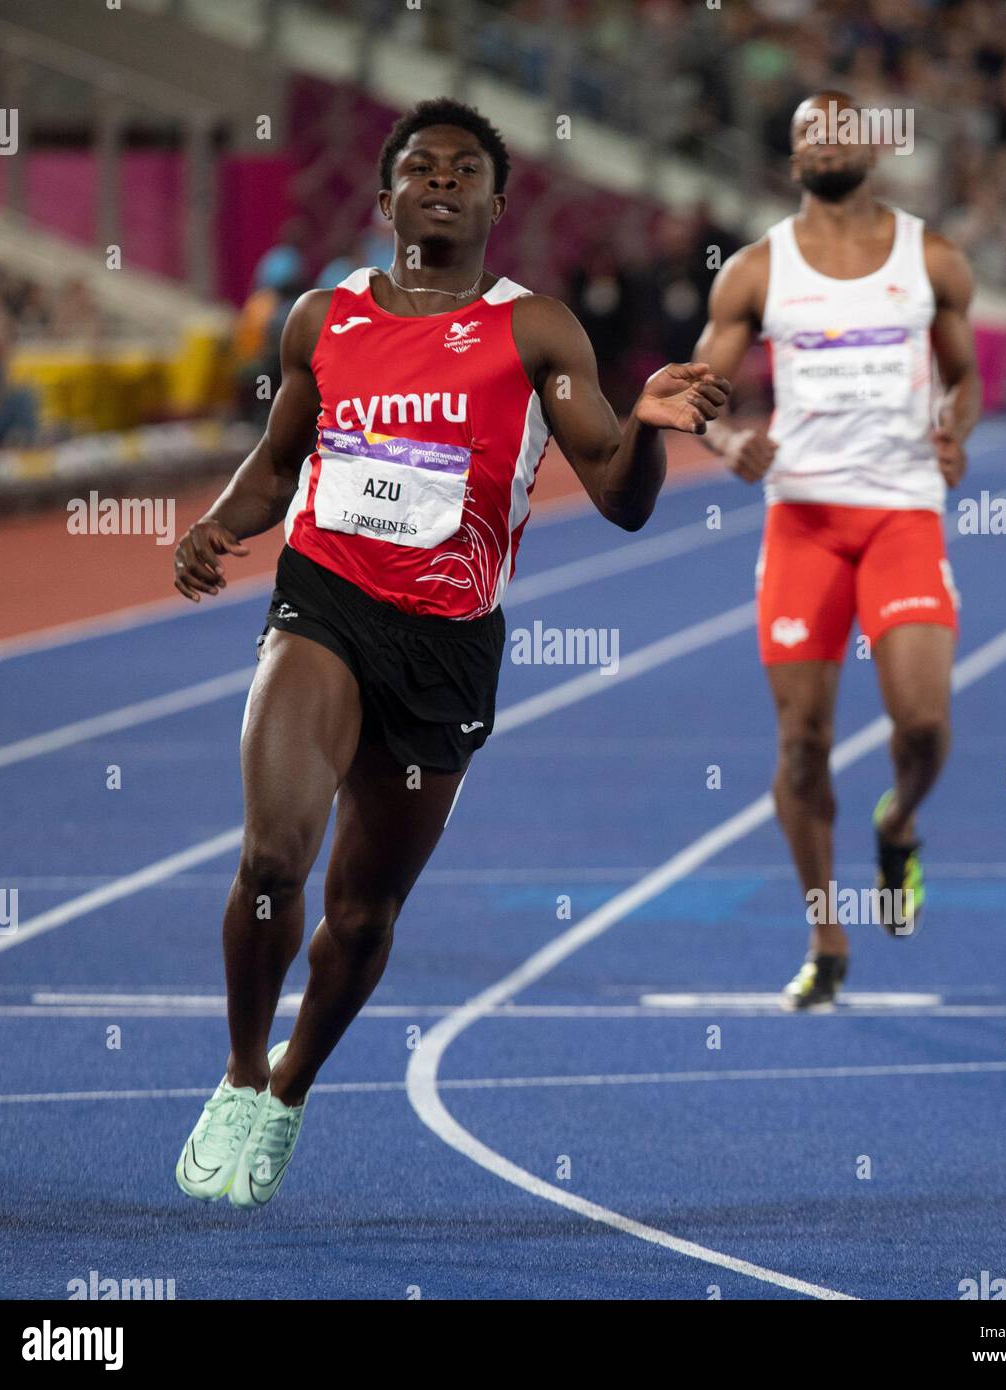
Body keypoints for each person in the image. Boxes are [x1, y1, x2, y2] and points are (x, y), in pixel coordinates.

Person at [172, 98, 731, 1204]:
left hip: (447, 647)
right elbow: (280, 466)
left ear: (495, 203)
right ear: (384, 200)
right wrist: (217, 526)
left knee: (364, 911)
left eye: (464, 169)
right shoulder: (319, 320)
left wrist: (652, 428)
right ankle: (239, 1075)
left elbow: (617, 495)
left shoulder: (538, 331)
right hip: (323, 603)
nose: (441, 179)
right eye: (419, 166)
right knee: (273, 854)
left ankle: (289, 1091)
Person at [692, 90, 981, 1009]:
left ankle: (895, 826)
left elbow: (965, 375)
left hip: (901, 511)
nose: (826, 144)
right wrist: (730, 444)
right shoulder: (754, 271)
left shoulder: (928, 257)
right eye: (809, 133)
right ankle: (826, 936)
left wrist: (955, 430)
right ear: (791, 160)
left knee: (923, 724)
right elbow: (698, 396)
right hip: (804, 521)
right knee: (804, 741)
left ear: (873, 149)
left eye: (842, 130)